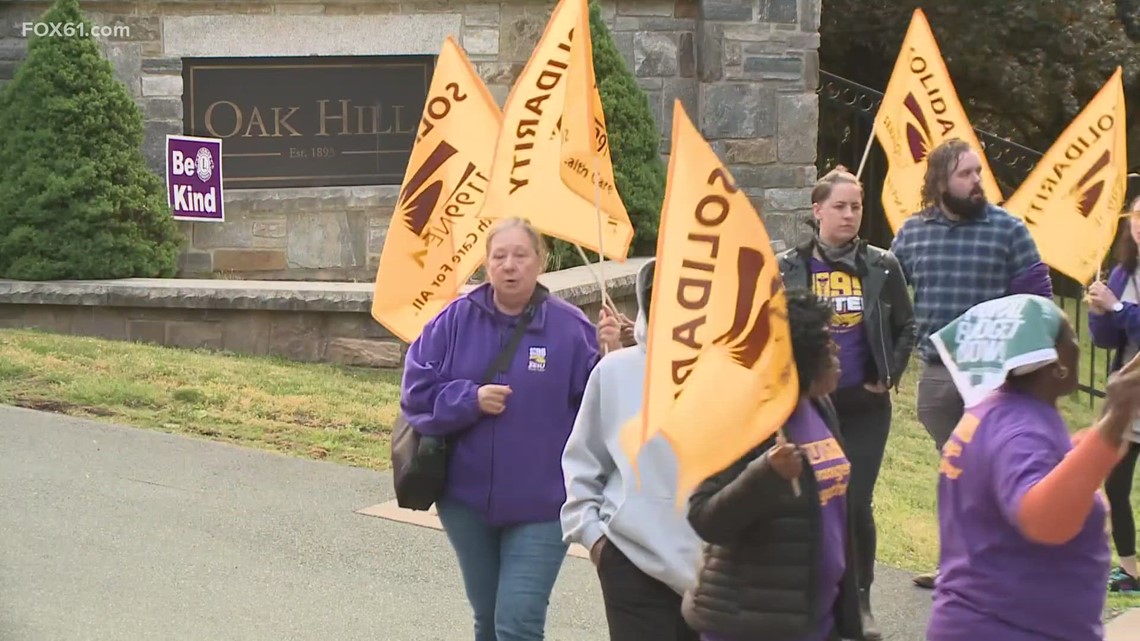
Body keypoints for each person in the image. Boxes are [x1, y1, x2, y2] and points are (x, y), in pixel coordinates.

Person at [400, 217, 601, 641]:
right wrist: (468, 400)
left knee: (518, 624)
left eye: (520, 256)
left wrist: (614, 357)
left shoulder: (570, 329)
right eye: (499, 256)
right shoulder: (454, 321)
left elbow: (603, 409)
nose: (510, 265)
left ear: (540, 261)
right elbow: (416, 392)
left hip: (544, 507)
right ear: (486, 265)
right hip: (465, 503)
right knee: (488, 619)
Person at [925, 294, 1140, 641]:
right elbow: (1043, 519)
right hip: (1009, 628)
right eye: (1071, 337)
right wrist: (1114, 423)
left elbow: (1045, 471)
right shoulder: (1022, 430)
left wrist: (1112, 418)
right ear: (1056, 364)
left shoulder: (998, 412)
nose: (1079, 345)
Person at [889, 138, 1054, 588]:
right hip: (939, 375)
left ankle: (1000, 566)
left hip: (995, 378)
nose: (977, 181)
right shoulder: (912, 232)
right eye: (966, 174)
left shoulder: (1009, 230)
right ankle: (957, 566)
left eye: (978, 172)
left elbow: (1039, 300)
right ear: (941, 181)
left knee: (993, 469)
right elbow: (890, 300)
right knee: (957, 471)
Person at [681, 288, 865, 641]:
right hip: (750, 626)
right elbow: (705, 517)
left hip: (816, 622)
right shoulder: (745, 416)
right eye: (827, 346)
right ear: (801, 356)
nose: (837, 353)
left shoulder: (820, 407)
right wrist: (765, 476)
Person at [778, 166, 915, 639]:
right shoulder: (788, 266)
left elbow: (907, 326)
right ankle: (813, 594)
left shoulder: (882, 265)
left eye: (856, 206)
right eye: (840, 206)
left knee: (854, 502)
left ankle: (860, 598)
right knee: (808, 500)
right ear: (817, 211)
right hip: (808, 406)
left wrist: (889, 375)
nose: (850, 214)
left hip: (863, 406)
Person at [560, 258, 703, 641]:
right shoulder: (615, 372)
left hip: (718, 574)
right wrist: (594, 539)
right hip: (631, 561)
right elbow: (583, 461)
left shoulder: (736, 374)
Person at [1088, 198, 1140, 594]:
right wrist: (1099, 312)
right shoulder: (1125, 271)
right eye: (1137, 217)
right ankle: (1130, 570)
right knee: (1116, 484)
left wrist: (1118, 307)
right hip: (1130, 399)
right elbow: (1107, 340)